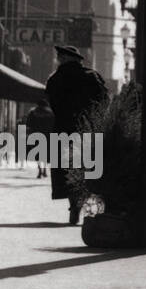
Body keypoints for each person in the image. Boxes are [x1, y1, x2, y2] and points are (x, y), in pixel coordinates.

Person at [44, 45, 108, 224]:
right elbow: (104, 101)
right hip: (88, 129)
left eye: (59, 57)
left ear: (64, 59)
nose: (57, 60)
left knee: (66, 169)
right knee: (88, 169)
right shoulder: (92, 77)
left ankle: (74, 206)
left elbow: (52, 102)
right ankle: (90, 209)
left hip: (64, 128)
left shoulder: (55, 79)